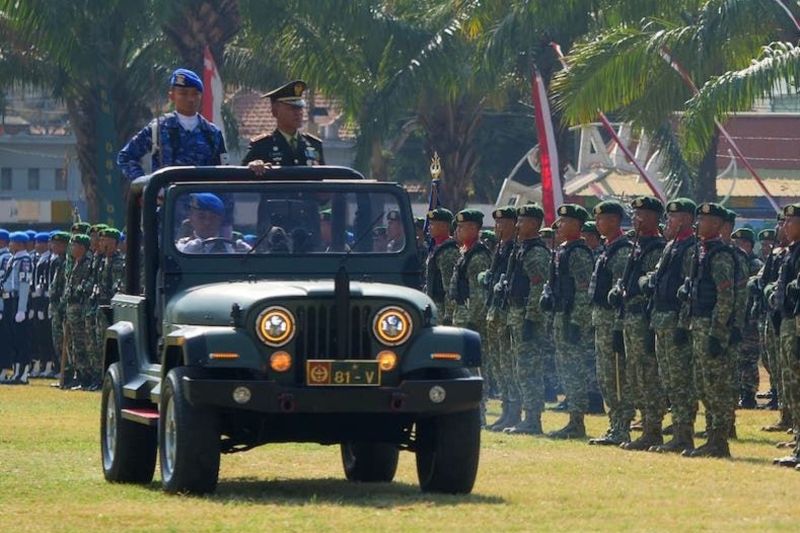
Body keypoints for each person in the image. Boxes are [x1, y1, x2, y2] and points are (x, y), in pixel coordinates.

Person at [681, 202, 737, 459]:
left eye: (704, 220)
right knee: (702, 385)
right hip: (697, 324)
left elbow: (726, 296)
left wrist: (717, 332)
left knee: (716, 386)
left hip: (711, 328)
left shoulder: (720, 255)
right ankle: (711, 437)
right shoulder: (699, 252)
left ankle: (719, 440)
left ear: (716, 224)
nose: (698, 224)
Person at [645, 198, 698, 454]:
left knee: (680, 382)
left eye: (674, 217)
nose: (669, 221)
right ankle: (675, 433)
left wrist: (682, 325)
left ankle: (684, 435)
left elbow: (691, 290)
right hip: (660, 319)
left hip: (676, 322)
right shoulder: (671, 247)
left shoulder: (690, 248)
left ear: (687, 219)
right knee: (667, 380)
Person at [616, 196, 667, 451]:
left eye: (643, 215)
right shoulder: (634, 245)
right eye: (635, 214)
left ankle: (653, 428)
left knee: (648, 374)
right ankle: (646, 424)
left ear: (655, 218)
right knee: (635, 374)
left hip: (644, 319)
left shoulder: (656, 247)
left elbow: (650, 287)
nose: (637, 219)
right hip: (630, 317)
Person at [540, 204, 594, 439]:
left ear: (576, 225)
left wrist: (576, 322)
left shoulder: (579, 253)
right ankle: (573, 419)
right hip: (561, 315)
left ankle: (577, 422)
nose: (559, 226)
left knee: (575, 370)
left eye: (564, 222)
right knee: (565, 369)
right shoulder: (562, 250)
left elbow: (584, 291)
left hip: (572, 318)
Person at [117, 68, 227, 180]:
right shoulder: (158, 129)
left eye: (195, 94)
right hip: (168, 196)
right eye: (183, 93)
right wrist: (145, 184)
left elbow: (224, 174)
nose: (190, 99)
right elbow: (126, 157)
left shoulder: (212, 134)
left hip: (205, 196)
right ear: (172, 96)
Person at [586, 200, 634, 446]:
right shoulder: (608, 248)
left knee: (617, 376)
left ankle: (622, 427)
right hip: (601, 322)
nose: (597, 224)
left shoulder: (622, 251)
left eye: (601, 219)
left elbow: (621, 293)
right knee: (605, 376)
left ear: (614, 220)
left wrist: (617, 328)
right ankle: (614, 425)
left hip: (612, 323)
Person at [504, 204, 550, 435]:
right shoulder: (521, 249)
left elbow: (538, 287)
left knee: (529, 369)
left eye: (522, 221)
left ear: (534, 224)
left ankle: (533, 419)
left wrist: (532, 319)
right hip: (516, 313)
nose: (518, 225)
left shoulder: (536, 252)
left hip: (527, 317)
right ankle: (526, 416)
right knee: (520, 368)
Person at [448, 209, 492, 421]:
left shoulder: (478, 256)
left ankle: (479, 412)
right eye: (457, 226)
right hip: (462, 316)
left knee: (475, 369)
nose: (458, 230)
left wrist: (474, 321)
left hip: (472, 319)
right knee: (463, 367)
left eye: (463, 227)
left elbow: (478, 293)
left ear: (475, 229)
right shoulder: (465, 252)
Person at [483, 207, 520, 432]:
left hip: (507, 314)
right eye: (496, 224)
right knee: (500, 366)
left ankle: (514, 412)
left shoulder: (515, 249)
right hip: (495, 312)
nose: (498, 227)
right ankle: (507, 412)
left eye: (503, 223)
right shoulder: (501, 248)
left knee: (509, 366)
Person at [243, 80, 325, 169]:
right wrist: (253, 166)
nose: (298, 113)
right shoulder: (261, 146)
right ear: (275, 111)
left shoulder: (314, 144)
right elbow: (240, 177)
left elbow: (324, 177)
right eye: (292, 108)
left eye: (300, 108)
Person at [731, 227, 763, 409]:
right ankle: (740, 391)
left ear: (750, 245)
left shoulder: (755, 265)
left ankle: (749, 394)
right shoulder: (736, 261)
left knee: (749, 358)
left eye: (742, 243)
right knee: (738, 357)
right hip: (739, 316)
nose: (739, 246)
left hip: (751, 319)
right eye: (736, 243)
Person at [0, 232, 34, 385]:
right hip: (8, 301)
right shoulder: (14, 259)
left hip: (18, 301)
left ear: (20, 244)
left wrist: (22, 309)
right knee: (13, 338)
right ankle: (16, 372)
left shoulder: (24, 260)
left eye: (13, 242)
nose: (10, 244)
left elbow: (24, 285)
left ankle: (23, 373)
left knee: (21, 339)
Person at [177, 193, 251, 254]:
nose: (207, 222)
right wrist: (185, 253)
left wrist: (249, 254)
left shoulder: (233, 248)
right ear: (191, 218)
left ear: (220, 220)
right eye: (201, 217)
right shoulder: (181, 247)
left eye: (213, 218)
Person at [424, 207, 459, 326]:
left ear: (445, 227)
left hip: (441, 308)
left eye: (433, 224)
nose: (429, 227)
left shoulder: (448, 252)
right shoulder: (437, 248)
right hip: (433, 304)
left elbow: (449, 287)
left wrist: (448, 316)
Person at [30, 232, 54, 378]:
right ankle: (41, 364)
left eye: (40, 242)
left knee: (46, 335)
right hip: (37, 300)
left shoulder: (49, 260)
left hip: (45, 301)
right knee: (38, 335)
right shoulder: (39, 259)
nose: (37, 245)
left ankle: (49, 365)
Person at [47, 231, 70, 381]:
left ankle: (67, 373)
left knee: (66, 342)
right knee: (57, 341)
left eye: (57, 244)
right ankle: (63, 372)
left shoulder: (67, 262)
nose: (53, 246)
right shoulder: (58, 261)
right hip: (55, 306)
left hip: (64, 306)